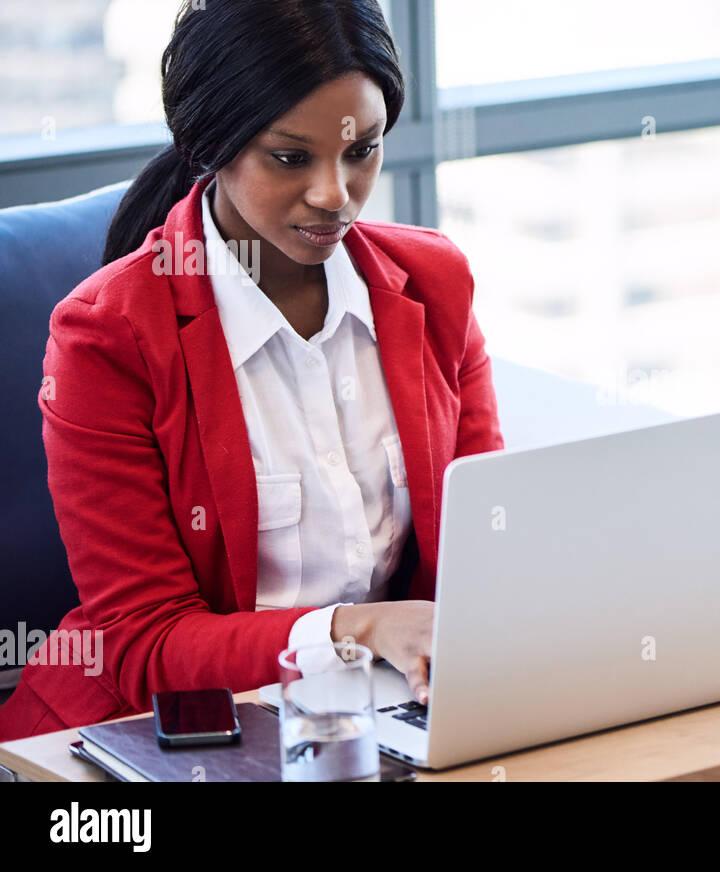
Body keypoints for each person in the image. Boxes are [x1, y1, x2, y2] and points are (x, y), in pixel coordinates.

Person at [0, 0, 503, 740]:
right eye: (291, 157)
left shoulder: (432, 283)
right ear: (213, 144)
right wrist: (352, 630)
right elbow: (146, 644)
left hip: (379, 719)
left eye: (361, 149)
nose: (335, 194)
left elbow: (481, 548)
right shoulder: (107, 336)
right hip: (164, 731)